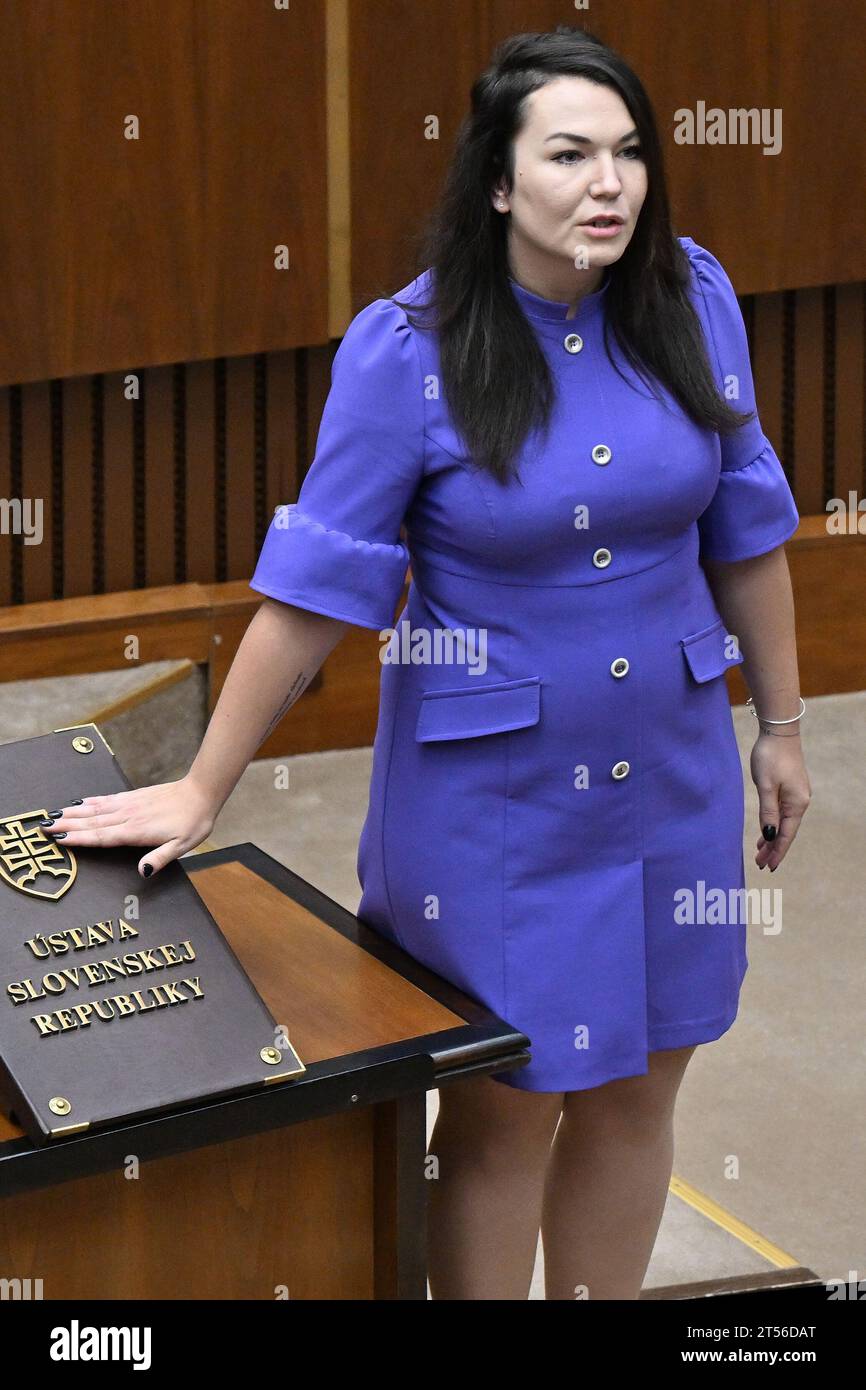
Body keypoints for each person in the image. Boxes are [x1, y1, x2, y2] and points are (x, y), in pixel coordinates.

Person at [41, 27, 811, 1299]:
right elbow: (309, 595)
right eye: (567, 154)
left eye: (627, 152)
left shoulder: (691, 297)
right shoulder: (408, 350)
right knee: (506, 1108)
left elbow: (747, 526)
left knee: (640, 1078)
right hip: (490, 806)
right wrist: (201, 786)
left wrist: (779, 725)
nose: (607, 183)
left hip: (670, 778)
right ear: (499, 183)